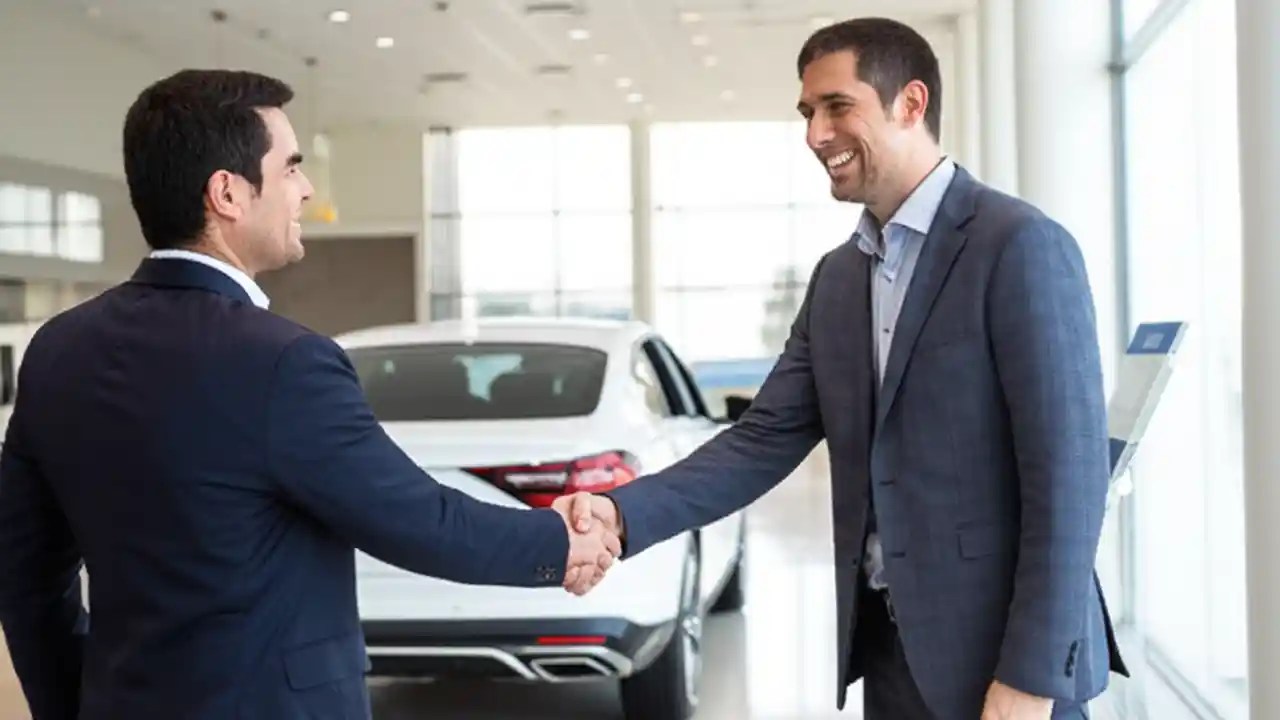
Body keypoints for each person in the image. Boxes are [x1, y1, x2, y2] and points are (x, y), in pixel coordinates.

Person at [0, 69, 618, 720]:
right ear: (228, 194)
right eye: (291, 167)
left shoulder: (59, 351)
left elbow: (25, 569)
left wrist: (71, 705)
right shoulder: (282, 361)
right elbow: (419, 521)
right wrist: (561, 542)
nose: (306, 188)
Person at [558, 17, 1128, 720]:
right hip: (890, 651)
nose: (815, 135)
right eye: (807, 113)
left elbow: (1070, 482)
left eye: (837, 106)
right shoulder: (839, 277)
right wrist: (619, 512)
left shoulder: (1018, 246)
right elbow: (760, 439)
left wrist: (1030, 680)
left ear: (910, 104)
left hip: (1000, 666)